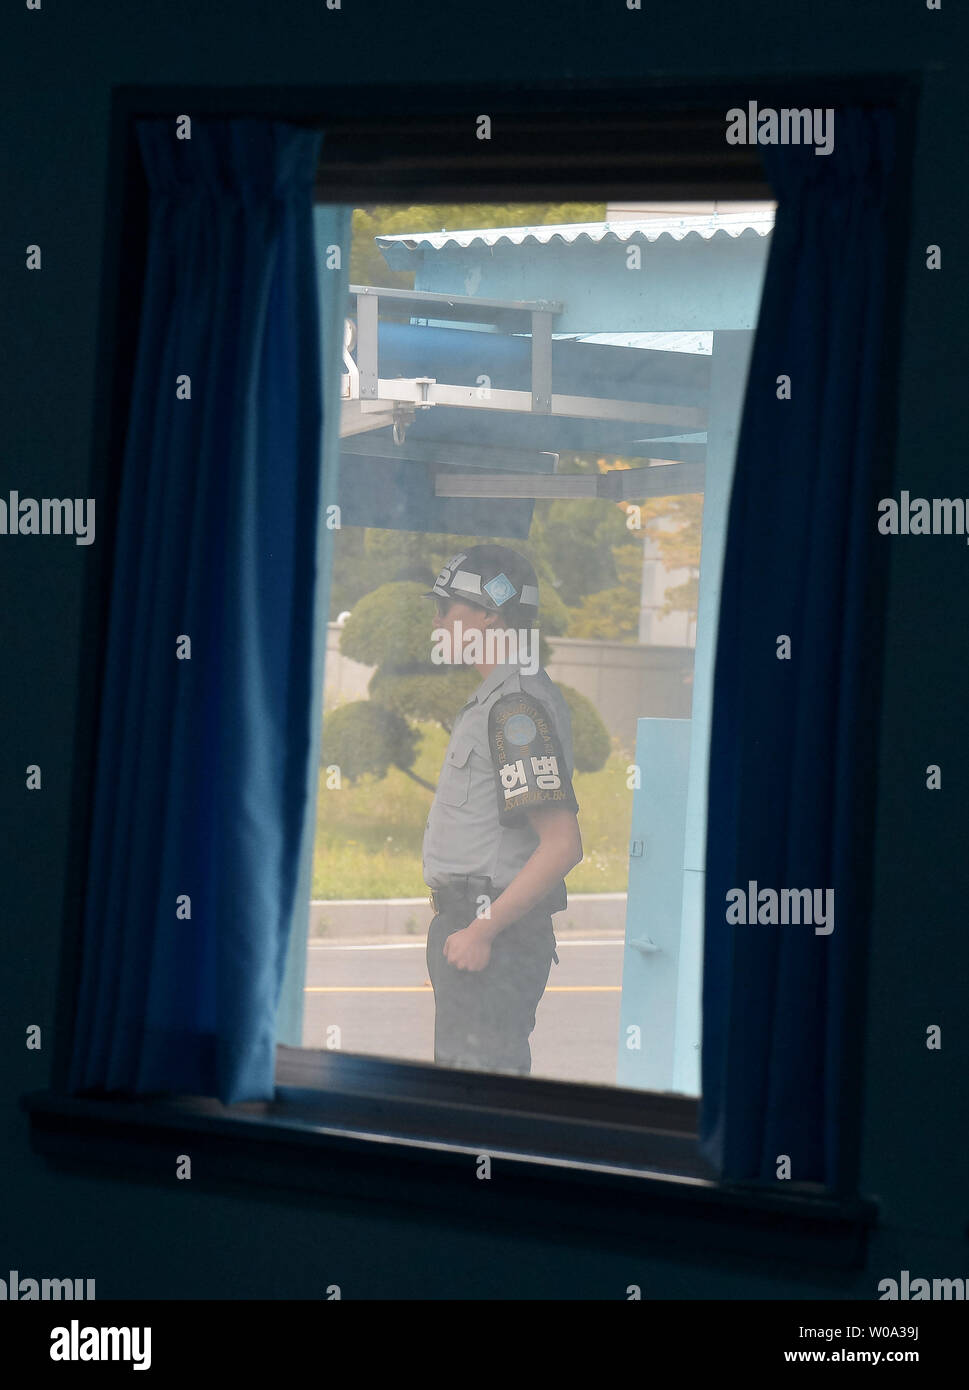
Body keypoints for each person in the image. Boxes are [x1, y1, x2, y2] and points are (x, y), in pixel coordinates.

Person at [422, 544, 583, 1076]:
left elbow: (562, 844)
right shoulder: (498, 699)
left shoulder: (515, 706)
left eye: (446, 607)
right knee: (464, 1097)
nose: (437, 620)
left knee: (478, 1104)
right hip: (472, 926)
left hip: (493, 936)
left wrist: (482, 931)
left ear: (489, 614)